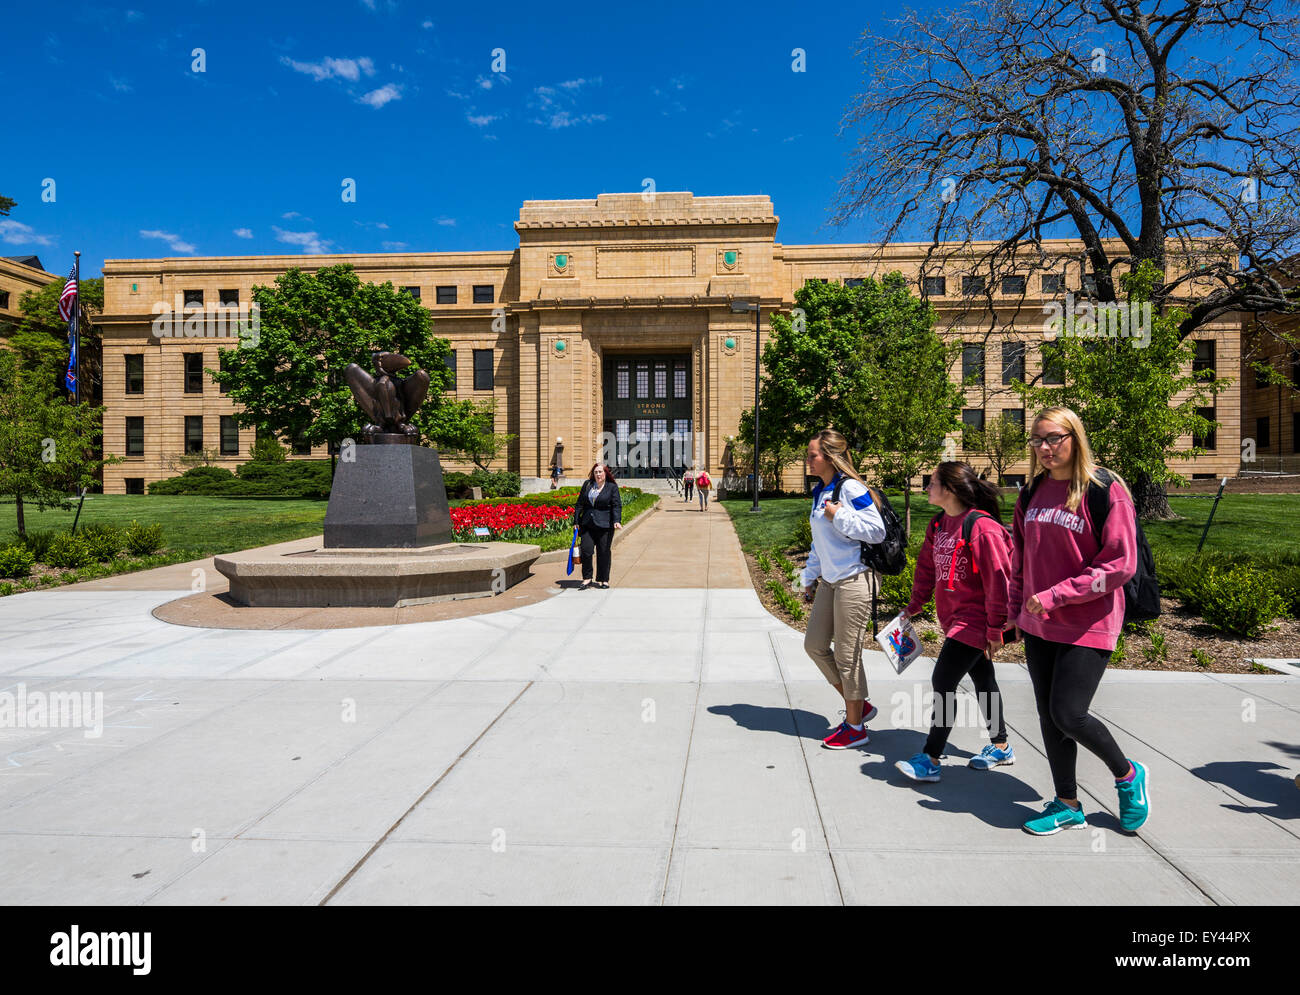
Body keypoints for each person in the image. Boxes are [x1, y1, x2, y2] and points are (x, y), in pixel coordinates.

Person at [1011, 406, 1150, 835]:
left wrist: (1056, 595)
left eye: (1053, 438)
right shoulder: (1031, 492)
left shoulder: (1102, 489)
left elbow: (1120, 564)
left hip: (1089, 621)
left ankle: (1127, 775)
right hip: (1038, 624)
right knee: (1048, 716)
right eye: (1037, 441)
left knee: (1069, 714)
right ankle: (1067, 803)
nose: (1044, 448)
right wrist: (1016, 610)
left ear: (1075, 437)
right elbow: (1020, 558)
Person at [895, 461, 1015, 783]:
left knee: (942, 682)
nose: (927, 487)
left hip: (975, 619)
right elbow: (925, 569)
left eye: (931, 482)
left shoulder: (982, 527)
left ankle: (931, 757)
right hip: (955, 618)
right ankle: (1001, 745)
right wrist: (915, 604)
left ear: (948, 489)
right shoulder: (938, 525)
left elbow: (999, 581)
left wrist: (995, 629)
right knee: (983, 680)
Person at [798, 428, 887, 750]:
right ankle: (859, 705)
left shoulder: (849, 488)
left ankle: (855, 727)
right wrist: (808, 577)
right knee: (815, 645)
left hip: (855, 579)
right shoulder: (820, 492)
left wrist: (840, 516)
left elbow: (876, 530)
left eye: (813, 455)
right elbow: (818, 544)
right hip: (831, 581)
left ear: (830, 457)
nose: (807, 460)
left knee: (848, 656)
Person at [572, 462, 623, 589]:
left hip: (605, 525)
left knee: (603, 552)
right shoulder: (588, 485)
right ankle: (587, 578)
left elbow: (616, 505)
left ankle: (604, 579)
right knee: (586, 551)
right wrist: (576, 521)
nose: (598, 474)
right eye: (596, 472)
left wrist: (616, 520)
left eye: (600, 472)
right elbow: (579, 504)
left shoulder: (611, 487)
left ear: (605, 473)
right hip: (587, 524)